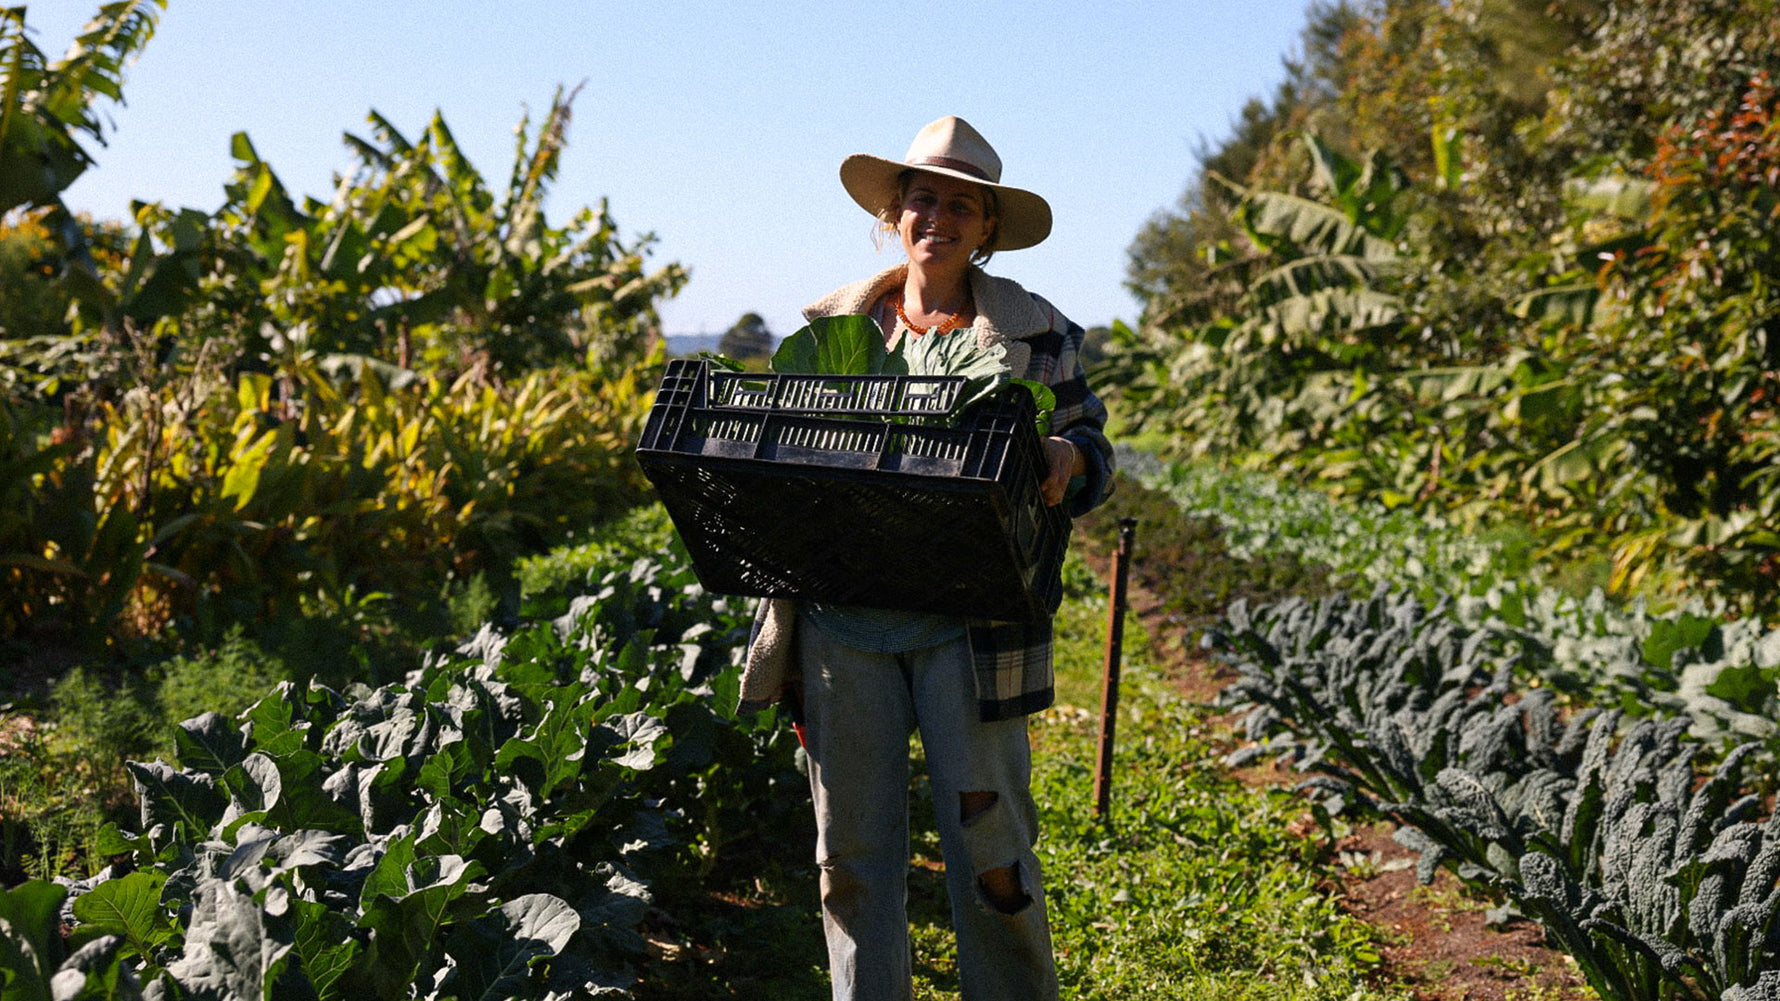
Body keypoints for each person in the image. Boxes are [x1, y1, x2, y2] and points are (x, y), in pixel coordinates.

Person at [737, 115, 1114, 1001]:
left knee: (992, 856)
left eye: (960, 204)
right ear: (892, 217)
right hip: (842, 627)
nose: (936, 217)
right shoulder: (834, 328)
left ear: (986, 228)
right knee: (851, 862)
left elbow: (1095, 449)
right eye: (921, 199)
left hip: (968, 627)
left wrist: (1067, 457)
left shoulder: (1037, 333)